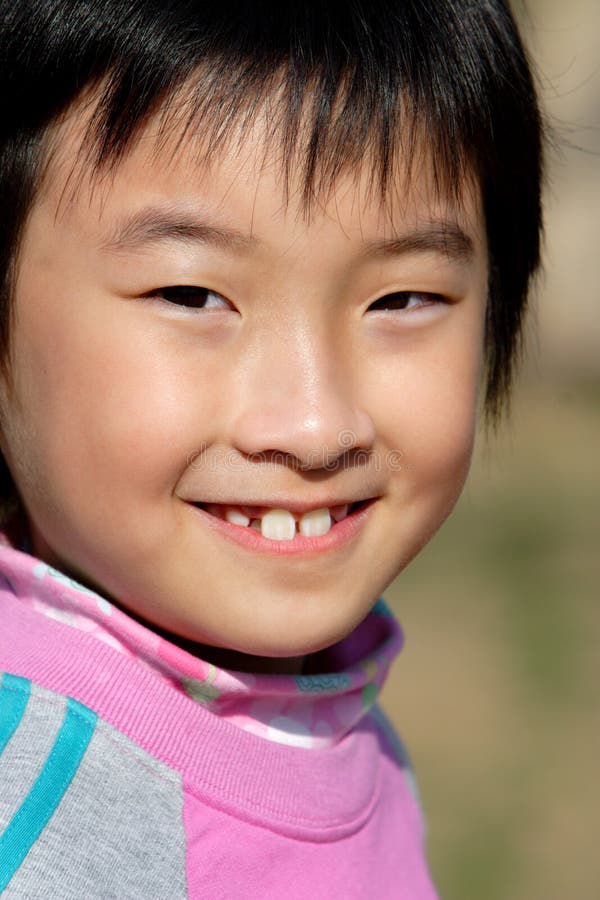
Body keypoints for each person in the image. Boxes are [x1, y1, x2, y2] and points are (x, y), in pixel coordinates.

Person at [0, 1, 544, 896]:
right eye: (190, 294)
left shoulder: (341, 727)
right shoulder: (42, 810)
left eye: (402, 299)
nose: (315, 425)